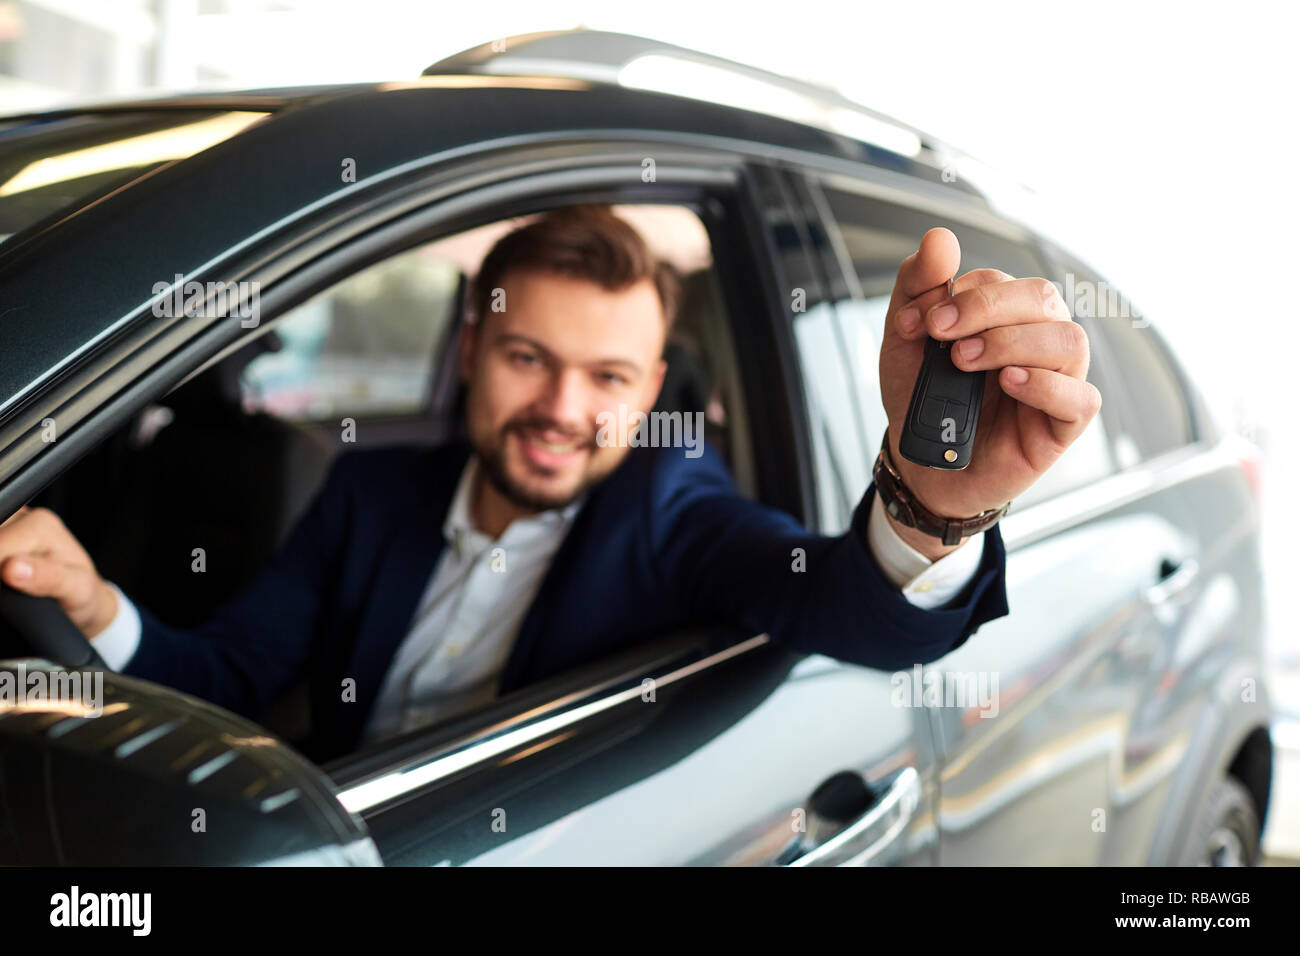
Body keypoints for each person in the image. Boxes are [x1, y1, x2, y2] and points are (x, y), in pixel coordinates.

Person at [0, 205, 1099, 761]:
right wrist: (96, 605)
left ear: (653, 385)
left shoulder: (673, 510)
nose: (565, 410)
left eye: (608, 375)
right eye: (528, 357)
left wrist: (928, 502)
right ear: (468, 352)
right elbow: (231, 675)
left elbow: (852, 608)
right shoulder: (368, 492)